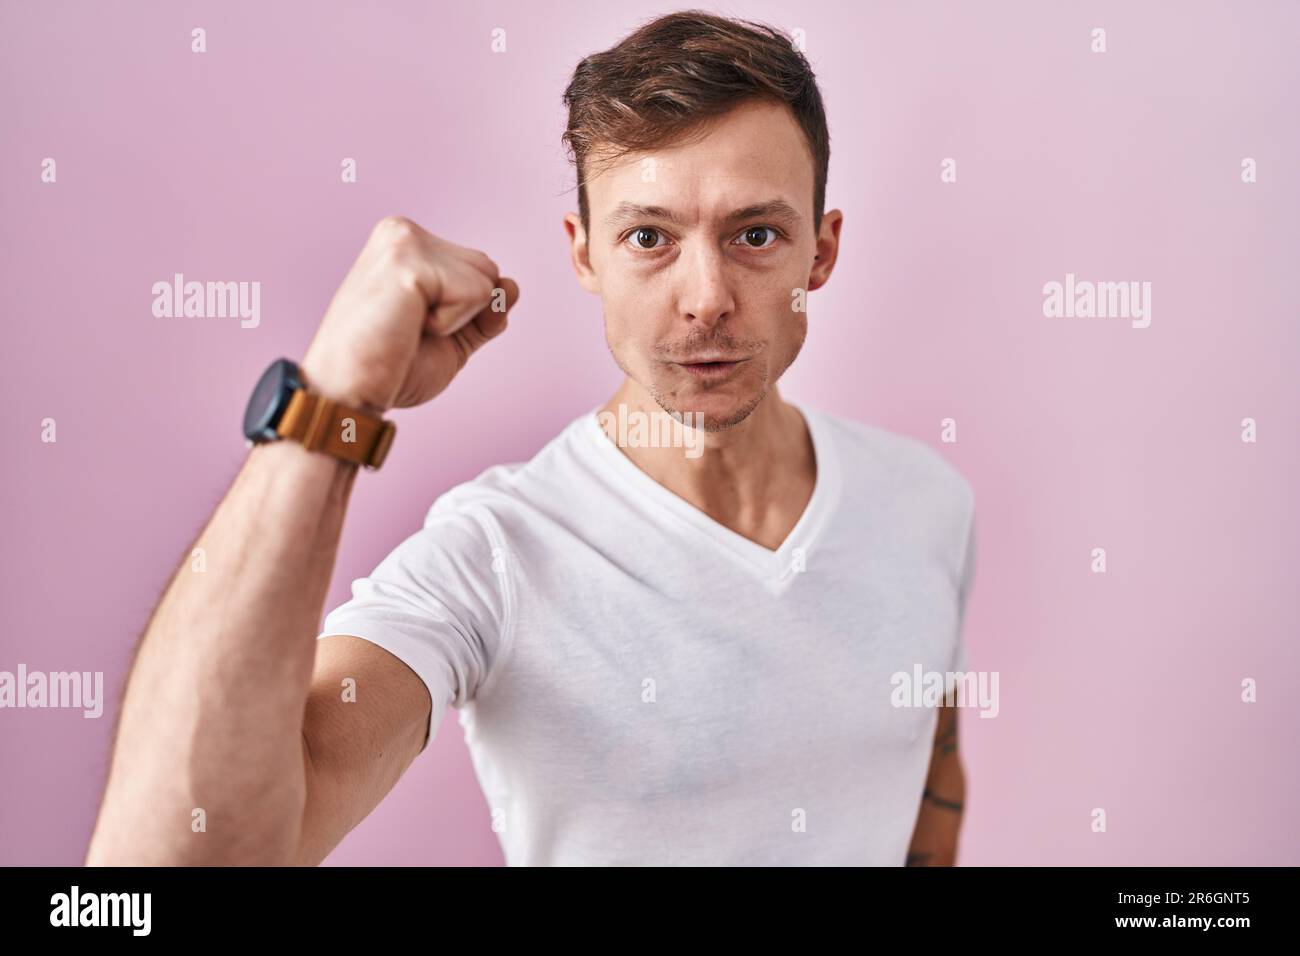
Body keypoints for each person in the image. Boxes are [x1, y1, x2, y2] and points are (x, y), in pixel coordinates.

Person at [86, 10, 975, 867]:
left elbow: (928, 784)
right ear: (584, 253)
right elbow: (180, 860)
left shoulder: (928, 500)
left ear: (819, 253)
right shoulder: (495, 557)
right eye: (648, 237)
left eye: (755, 234)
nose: (706, 297)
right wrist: (328, 403)